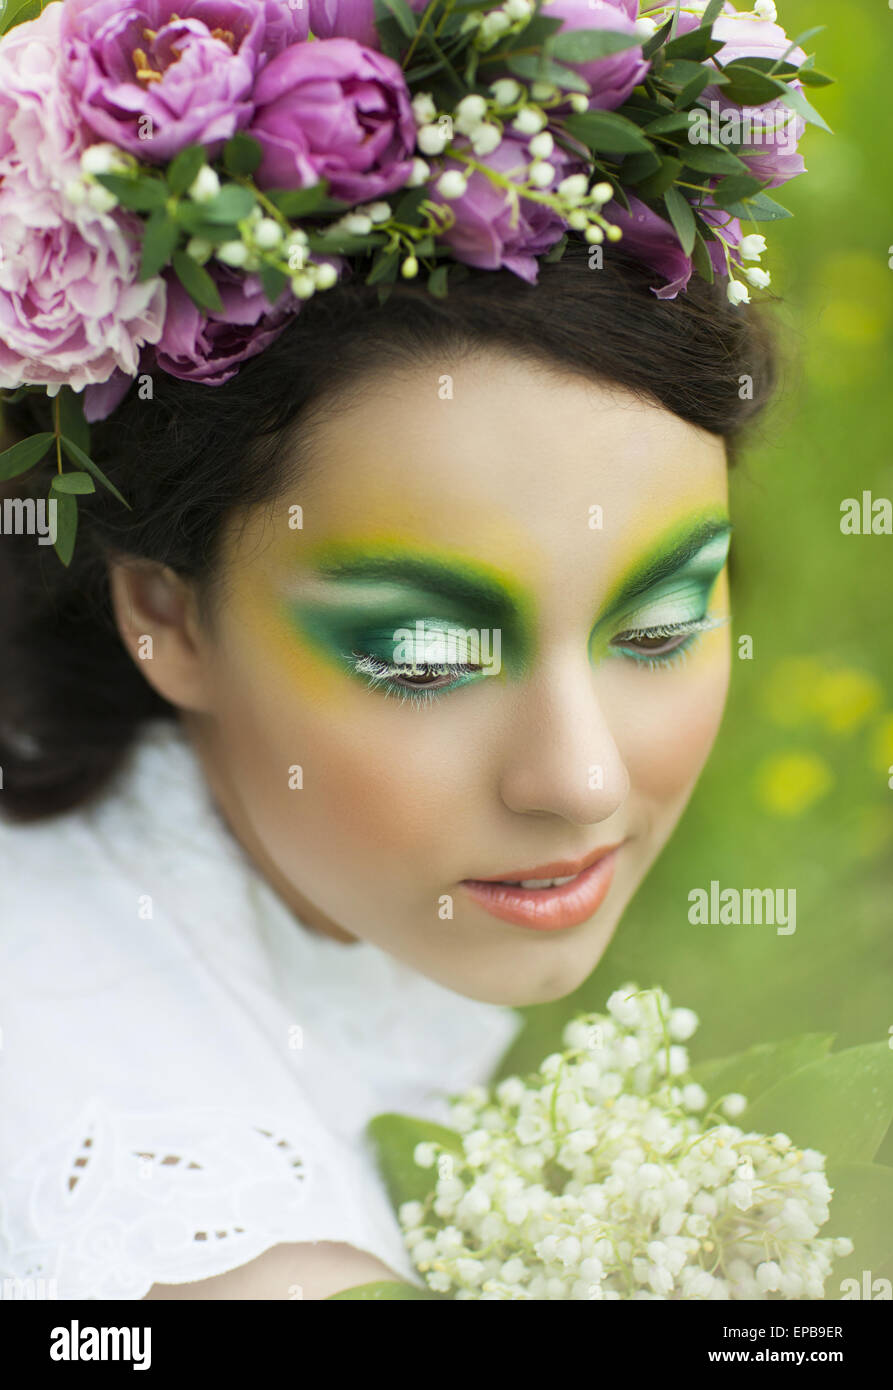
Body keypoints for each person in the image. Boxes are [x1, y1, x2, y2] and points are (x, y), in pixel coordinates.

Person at [0, 238, 777, 1299]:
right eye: (426, 658)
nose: (581, 778)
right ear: (167, 613)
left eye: (656, 629)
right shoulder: (238, 1257)